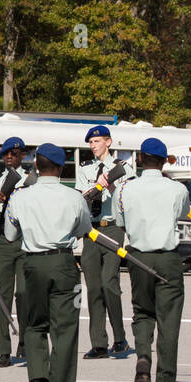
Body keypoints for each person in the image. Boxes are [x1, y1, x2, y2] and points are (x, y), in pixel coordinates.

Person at [4, 143, 91, 382]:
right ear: (61, 167)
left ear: (36, 167)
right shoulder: (74, 197)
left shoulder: (20, 197)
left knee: (34, 324)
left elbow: (9, 235)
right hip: (64, 262)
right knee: (65, 331)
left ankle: (36, 381)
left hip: (32, 263)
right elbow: (84, 230)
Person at [110, 138, 191, 382]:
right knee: (168, 321)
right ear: (165, 160)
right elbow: (182, 214)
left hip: (138, 256)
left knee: (143, 312)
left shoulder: (124, 189)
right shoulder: (177, 189)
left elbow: (120, 223)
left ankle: (143, 356)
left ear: (141, 160)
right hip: (167, 257)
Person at [75, 124, 131, 358]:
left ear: (108, 142)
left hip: (112, 228)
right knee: (94, 288)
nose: (93, 146)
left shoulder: (123, 168)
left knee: (110, 283)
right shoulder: (85, 169)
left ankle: (119, 337)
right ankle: (99, 343)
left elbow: (128, 196)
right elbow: (81, 200)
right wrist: (95, 187)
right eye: (90, 142)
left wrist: (112, 184)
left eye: (96, 141)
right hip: (92, 230)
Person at [0, 136, 31, 366]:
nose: (10, 157)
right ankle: (3, 349)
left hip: (26, 239)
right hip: (3, 240)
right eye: (6, 154)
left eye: (15, 153)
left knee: (24, 294)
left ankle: (25, 340)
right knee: (0, 295)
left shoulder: (32, 180)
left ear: (23, 155)